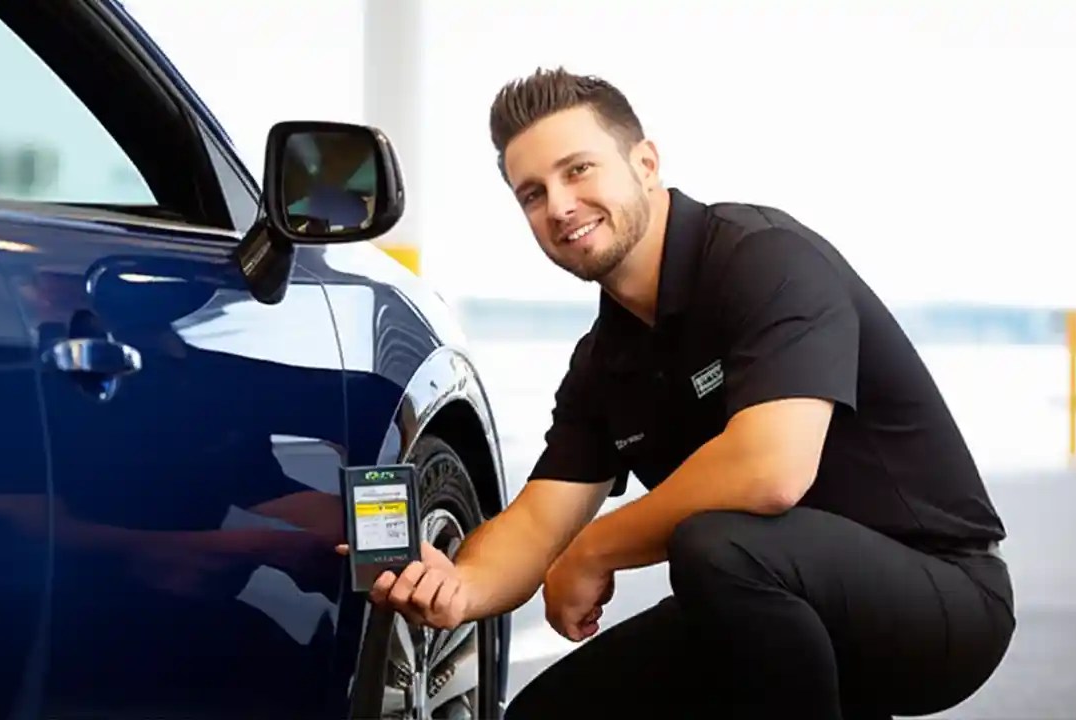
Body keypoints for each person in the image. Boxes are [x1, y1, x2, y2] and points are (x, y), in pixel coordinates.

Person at [339, 67, 1016, 718]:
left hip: (940, 600)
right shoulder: (605, 360)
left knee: (714, 544)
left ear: (646, 164)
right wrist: (456, 586)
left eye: (578, 170)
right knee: (549, 712)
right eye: (533, 194)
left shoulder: (765, 260)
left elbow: (770, 471)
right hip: (777, 607)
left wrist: (594, 549)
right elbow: (540, 521)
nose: (560, 206)